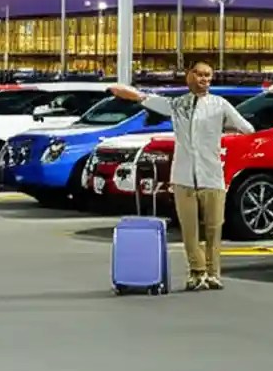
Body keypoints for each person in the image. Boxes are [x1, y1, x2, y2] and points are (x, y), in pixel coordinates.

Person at [107, 61, 255, 291]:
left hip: (212, 175)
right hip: (184, 177)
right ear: (189, 76)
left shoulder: (220, 105)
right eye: (199, 74)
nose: (204, 79)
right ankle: (197, 273)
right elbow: (144, 99)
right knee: (189, 229)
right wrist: (123, 91)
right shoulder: (178, 105)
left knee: (214, 227)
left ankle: (213, 273)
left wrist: (224, 132)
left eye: (208, 75)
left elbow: (247, 129)